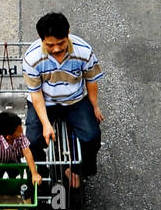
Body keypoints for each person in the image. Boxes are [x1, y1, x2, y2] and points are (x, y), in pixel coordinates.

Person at [23, 12, 103, 189]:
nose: (57, 49)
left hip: (74, 101)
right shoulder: (32, 58)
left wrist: (94, 106)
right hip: (45, 102)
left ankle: (75, 170)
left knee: (92, 137)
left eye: (61, 43)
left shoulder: (84, 51)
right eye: (50, 45)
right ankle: (41, 172)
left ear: (68, 33)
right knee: (32, 141)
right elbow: (35, 94)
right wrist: (45, 123)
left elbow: (91, 80)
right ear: (42, 40)